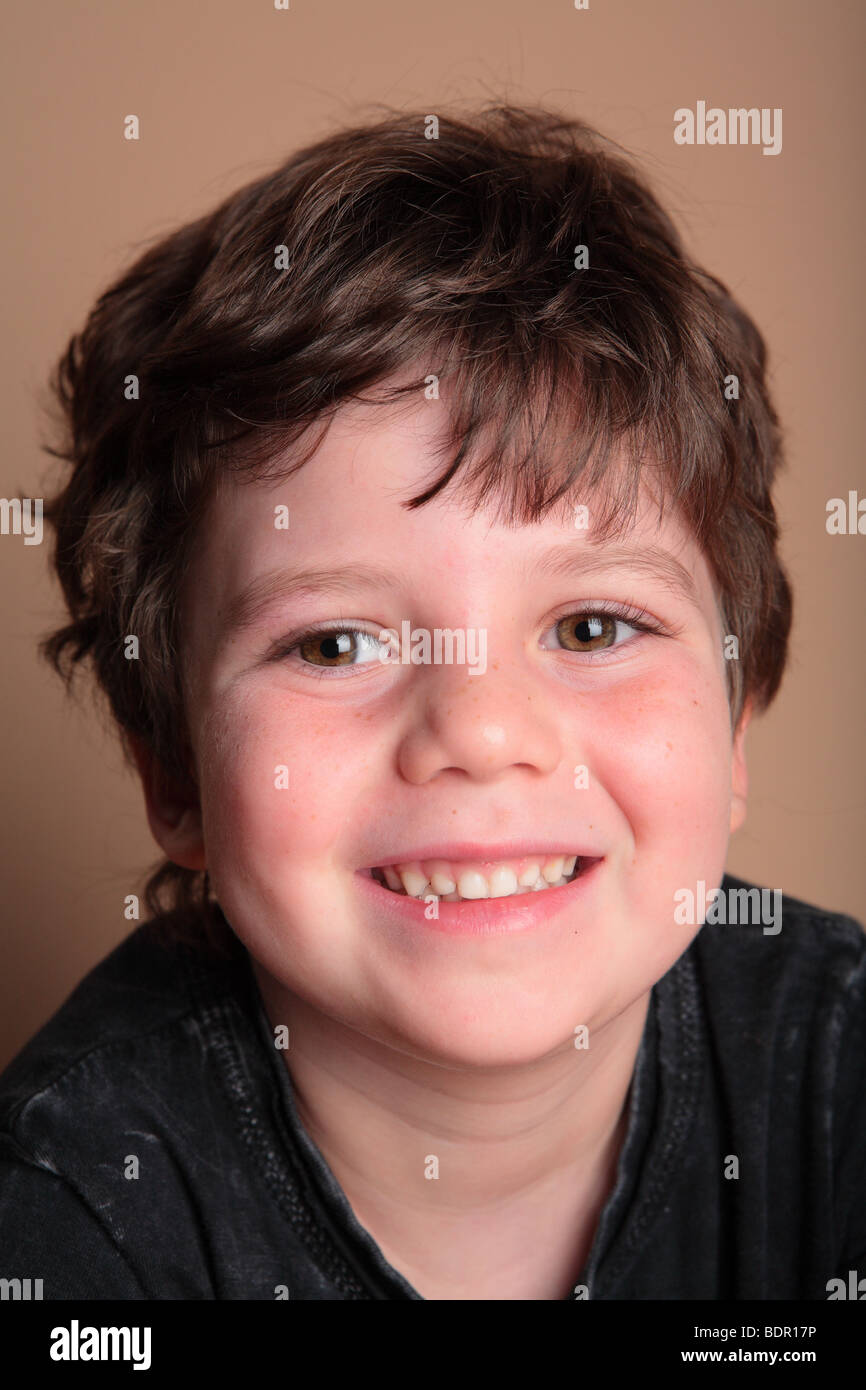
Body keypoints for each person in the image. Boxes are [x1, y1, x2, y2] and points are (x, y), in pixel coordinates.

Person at [1, 103, 863, 1301]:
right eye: (336, 641)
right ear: (173, 770)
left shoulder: (832, 1071)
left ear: (734, 715)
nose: (481, 731)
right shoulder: (76, 1205)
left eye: (591, 627)